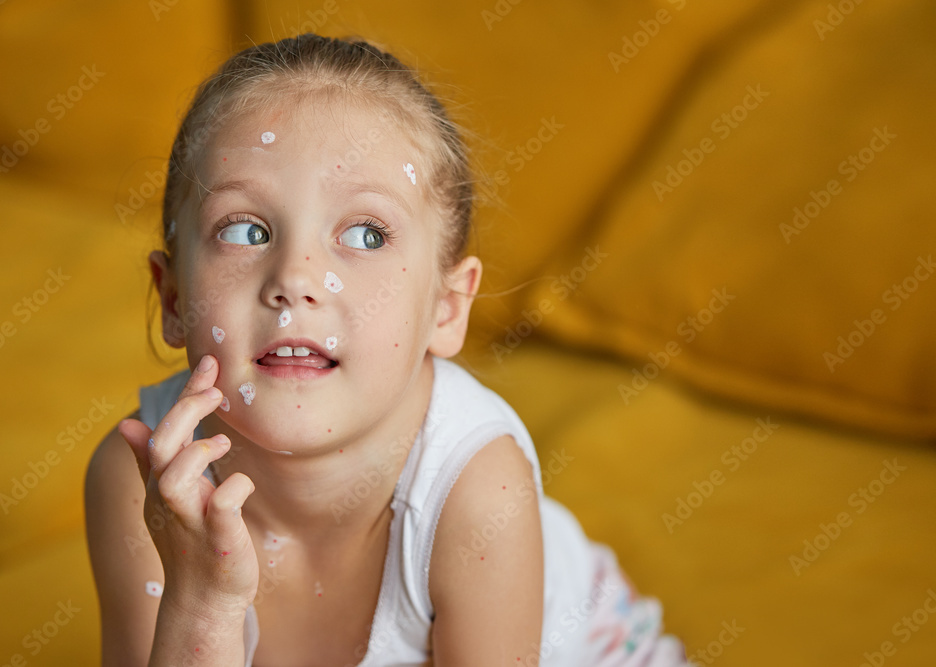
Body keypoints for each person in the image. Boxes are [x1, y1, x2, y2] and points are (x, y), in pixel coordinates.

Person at [84, 33, 691, 667]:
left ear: (446, 309)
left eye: (367, 234)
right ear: (174, 300)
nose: (297, 276)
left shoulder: (479, 494)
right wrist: (201, 604)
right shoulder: (140, 482)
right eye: (245, 230)